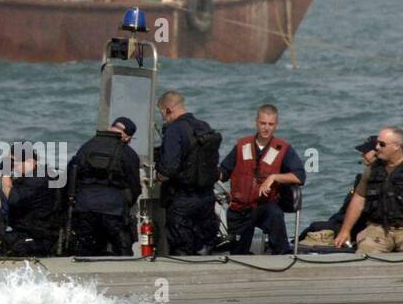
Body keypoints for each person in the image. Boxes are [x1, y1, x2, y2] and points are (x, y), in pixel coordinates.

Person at [333, 126, 403, 254]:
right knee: (365, 253)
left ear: (396, 146)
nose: (377, 147)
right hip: (378, 229)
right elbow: (358, 200)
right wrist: (345, 231)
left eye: (382, 144)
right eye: (377, 143)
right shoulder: (373, 170)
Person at [217, 104, 305, 255]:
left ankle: (282, 255)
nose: (266, 128)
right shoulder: (242, 145)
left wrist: (274, 177)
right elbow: (223, 172)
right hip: (240, 209)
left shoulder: (283, 149)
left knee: (275, 214)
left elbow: (299, 176)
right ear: (256, 123)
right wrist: (208, 170)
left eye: (270, 124)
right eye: (263, 123)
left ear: (276, 126)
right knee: (238, 254)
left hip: (265, 206)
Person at [155, 92, 221, 255]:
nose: (163, 119)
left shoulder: (174, 130)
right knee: (203, 248)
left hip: (182, 200)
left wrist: (159, 176)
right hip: (206, 198)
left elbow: (169, 168)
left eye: (162, 113)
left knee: (181, 250)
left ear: (169, 110)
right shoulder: (204, 126)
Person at [66, 117, 142, 256]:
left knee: (84, 250)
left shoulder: (86, 146)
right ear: (127, 137)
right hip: (114, 209)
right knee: (122, 250)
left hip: (85, 206)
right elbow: (135, 187)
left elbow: (71, 175)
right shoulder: (128, 153)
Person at [297, 135, 377, 247]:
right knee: (316, 227)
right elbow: (346, 207)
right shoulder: (362, 178)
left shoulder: (376, 180)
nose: (362, 155)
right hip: (342, 221)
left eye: (366, 152)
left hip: (355, 226)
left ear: (377, 153)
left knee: (315, 227)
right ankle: (292, 244)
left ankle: (290, 247)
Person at [2, 145, 67, 256]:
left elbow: (13, 199)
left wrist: (5, 174)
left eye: (13, 161)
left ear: (29, 161)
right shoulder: (46, 174)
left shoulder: (35, 181)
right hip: (47, 233)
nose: (11, 165)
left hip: (37, 237)